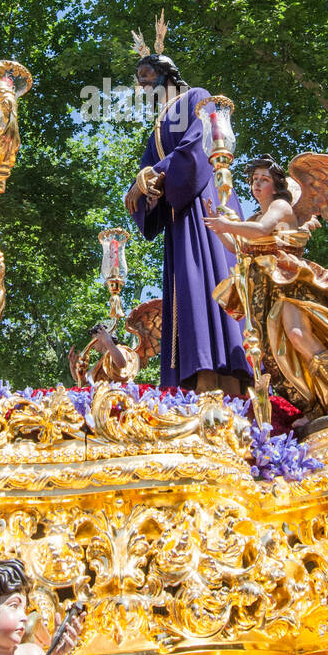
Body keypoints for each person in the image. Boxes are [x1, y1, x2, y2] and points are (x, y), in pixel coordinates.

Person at [205, 155, 328, 416]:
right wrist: (218, 227)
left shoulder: (281, 207)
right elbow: (239, 248)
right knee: (278, 357)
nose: (256, 184)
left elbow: (260, 229)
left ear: (276, 185)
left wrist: (228, 224)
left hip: (289, 284)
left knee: (297, 334)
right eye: (254, 180)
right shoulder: (255, 216)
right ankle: (315, 405)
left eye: (264, 179)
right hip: (265, 293)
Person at [123, 33, 250, 395]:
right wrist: (139, 190)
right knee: (186, 292)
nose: (142, 85)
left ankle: (222, 373)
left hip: (205, 204)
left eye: (146, 76)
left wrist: (155, 174)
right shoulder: (156, 130)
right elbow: (146, 177)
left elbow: (199, 144)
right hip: (180, 219)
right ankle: (194, 380)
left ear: (167, 74)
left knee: (209, 281)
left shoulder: (198, 97)